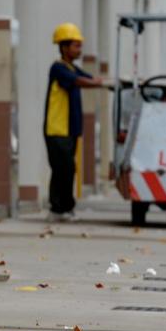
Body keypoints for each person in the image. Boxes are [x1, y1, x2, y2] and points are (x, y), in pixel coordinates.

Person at [43, 23, 104, 222]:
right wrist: (96, 82)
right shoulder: (58, 68)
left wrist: (104, 81)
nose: (79, 50)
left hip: (69, 130)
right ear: (64, 47)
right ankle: (58, 209)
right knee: (64, 169)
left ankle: (63, 208)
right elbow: (81, 81)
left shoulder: (72, 68)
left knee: (66, 169)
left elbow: (90, 78)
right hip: (57, 129)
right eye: (76, 46)